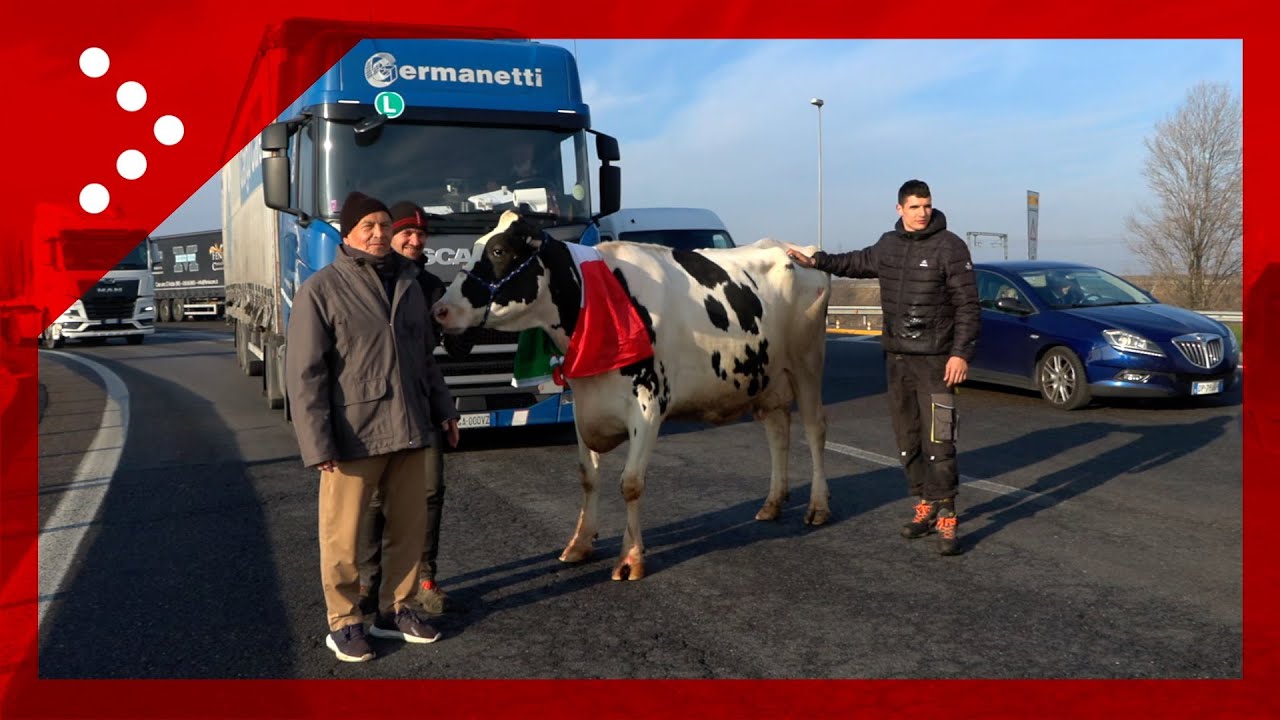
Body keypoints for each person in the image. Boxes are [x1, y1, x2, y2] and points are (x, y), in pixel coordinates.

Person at [285, 190, 458, 663]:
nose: (380, 234)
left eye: (385, 226)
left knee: (407, 526)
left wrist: (444, 410)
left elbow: (425, 359)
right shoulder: (322, 289)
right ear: (349, 235)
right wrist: (317, 442)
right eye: (370, 227)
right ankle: (344, 622)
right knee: (341, 536)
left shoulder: (409, 283)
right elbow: (305, 374)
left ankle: (395, 610)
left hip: (410, 426)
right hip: (354, 432)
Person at [786, 179, 980, 556]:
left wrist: (961, 354)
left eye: (926, 205)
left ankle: (947, 516)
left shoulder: (950, 247)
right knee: (908, 440)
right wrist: (817, 261)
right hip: (898, 359)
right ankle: (924, 506)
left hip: (937, 361)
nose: (922, 212)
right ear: (899, 210)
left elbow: (968, 305)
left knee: (940, 440)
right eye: (914, 207)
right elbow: (854, 262)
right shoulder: (887, 246)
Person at [356, 201, 464, 618]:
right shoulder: (362, 280)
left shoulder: (432, 284)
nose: (415, 240)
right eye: (407, 232)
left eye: (421, 234)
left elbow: (447, 350)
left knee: (431, 491)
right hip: (373, 407)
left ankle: (425, 578)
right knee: (373, 500)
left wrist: (464, 319)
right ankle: (369, 581)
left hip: (421, 404)